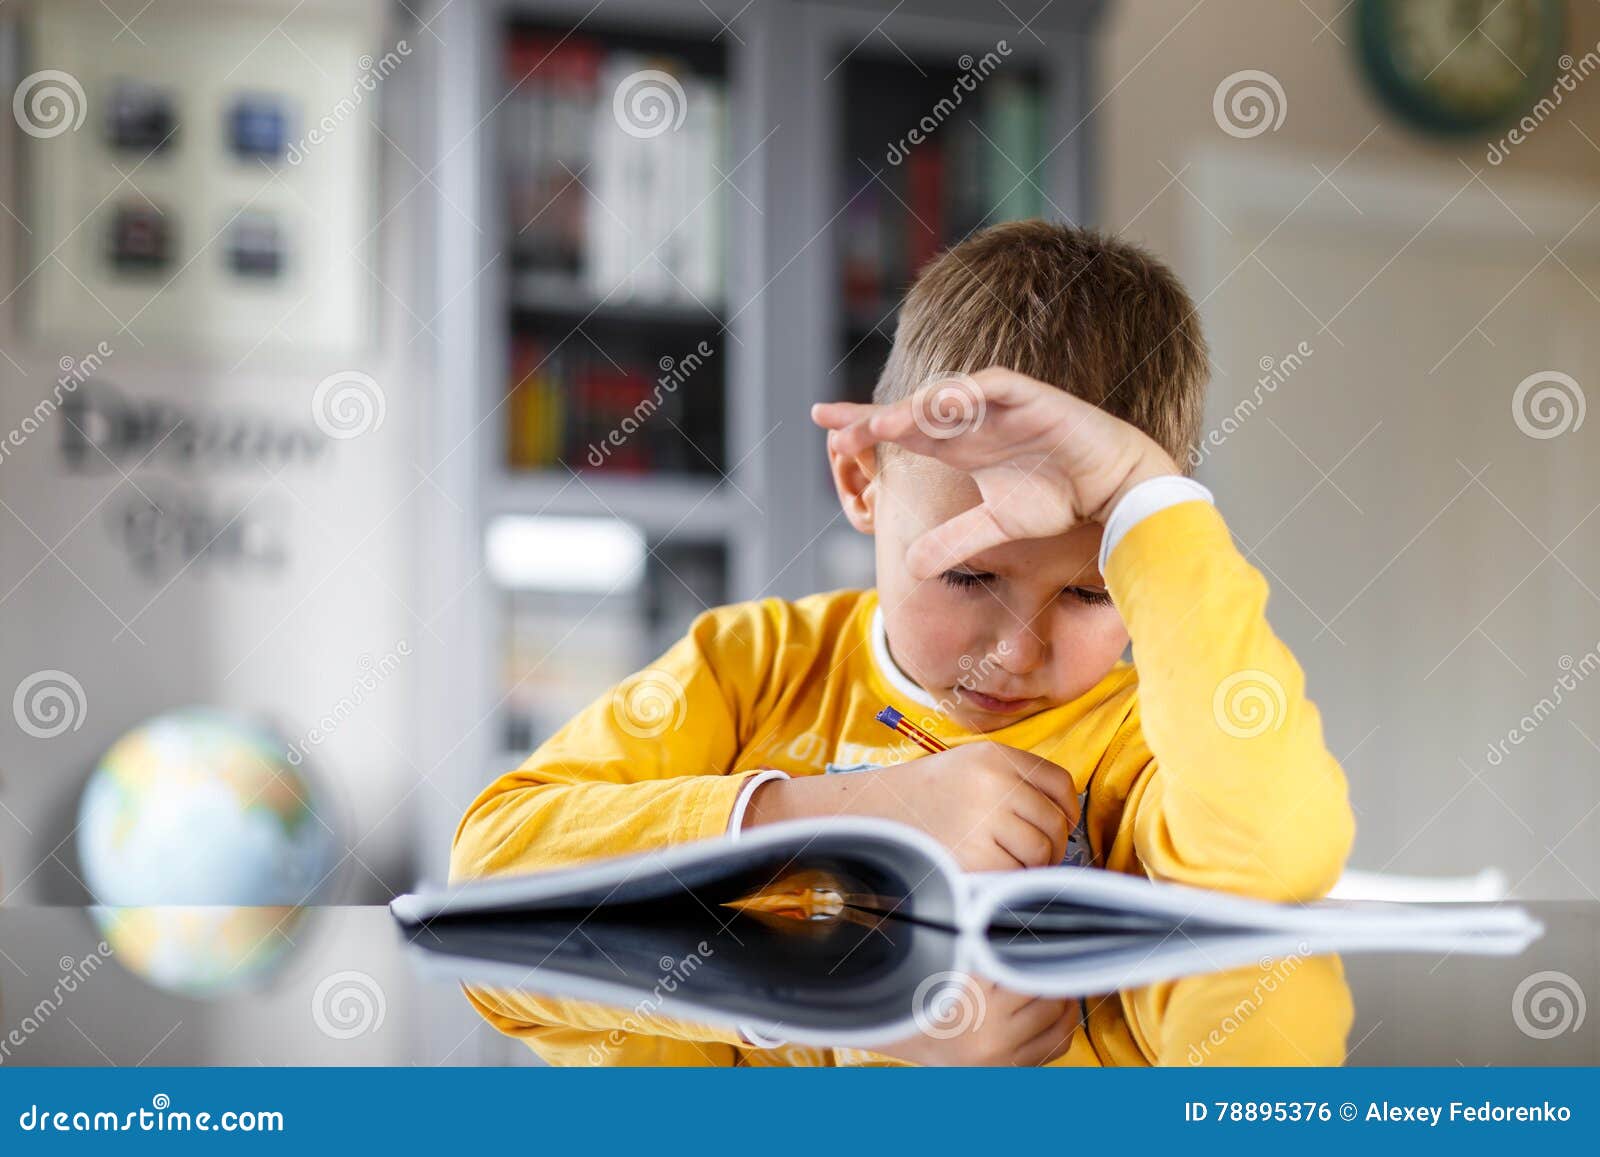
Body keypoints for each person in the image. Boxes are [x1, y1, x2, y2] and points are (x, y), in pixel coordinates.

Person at [449, 220, 1356, 1065]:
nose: (1014, 650)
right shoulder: (754, 666)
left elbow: (1274, 863)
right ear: (861, 480)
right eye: (969, 576)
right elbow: (491, 897)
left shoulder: (1154, 751)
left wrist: (1151, 510)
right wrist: (860, 835)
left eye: (1091, 590)